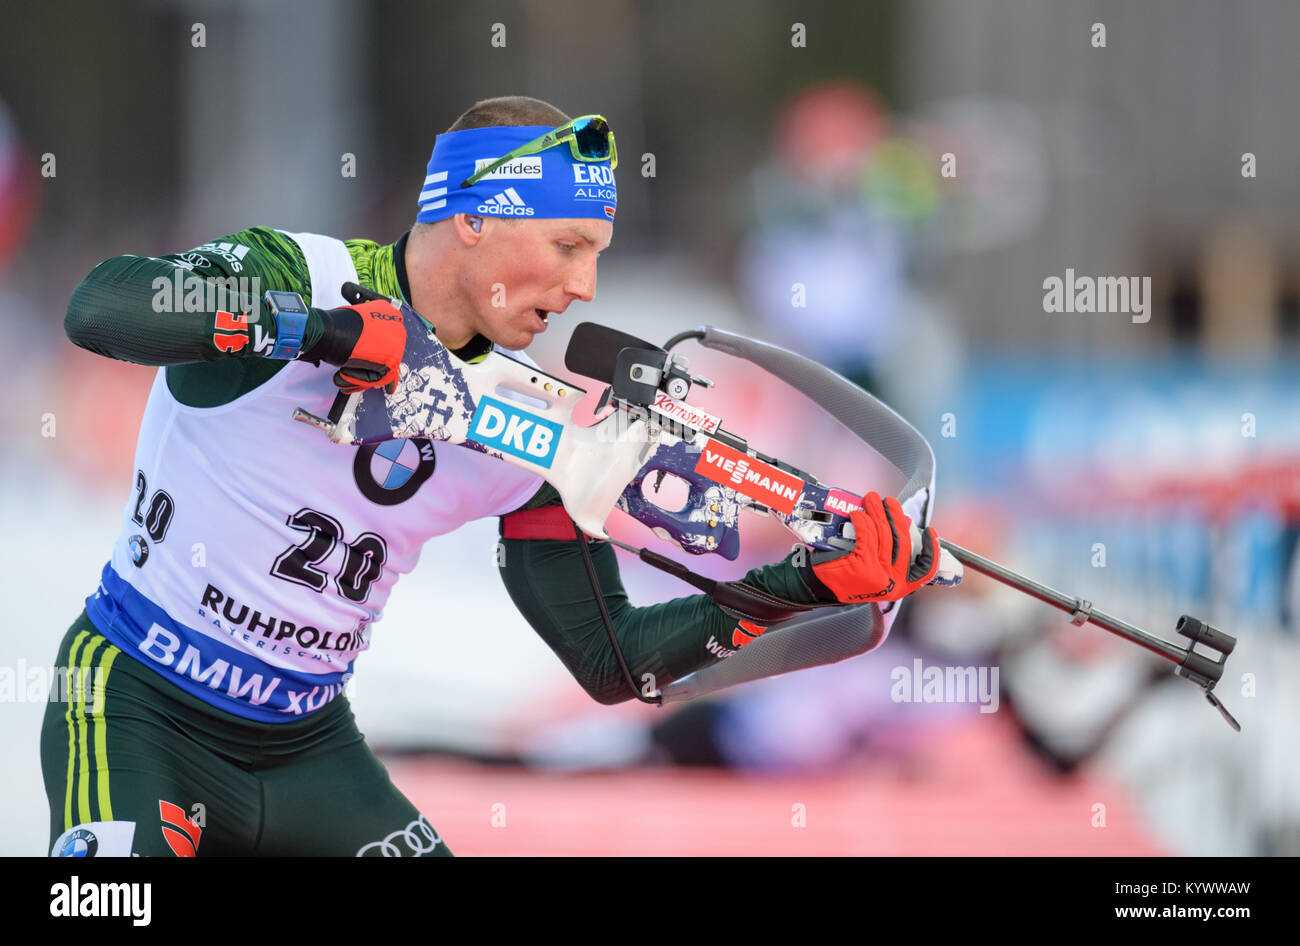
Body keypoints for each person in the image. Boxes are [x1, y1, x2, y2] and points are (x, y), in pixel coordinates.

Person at [41, 95, 944, 857]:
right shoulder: (301, 269)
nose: (586, 286)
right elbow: (107, 307)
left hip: (305, 747)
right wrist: (328, 333)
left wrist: (802, 584)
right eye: (566, 246)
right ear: (473, 218)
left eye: (597, 254)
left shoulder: (532, 425)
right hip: (138, 708)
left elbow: (613, 659)